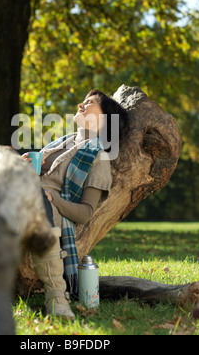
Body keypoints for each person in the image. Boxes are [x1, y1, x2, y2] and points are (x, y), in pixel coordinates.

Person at [22, 89, 128, 320]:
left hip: (47, 208)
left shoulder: (98, 157)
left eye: (89, 103)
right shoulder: (62, 143)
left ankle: (57, 296)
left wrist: (54, 199)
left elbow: (85, 213)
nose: (81, 104)